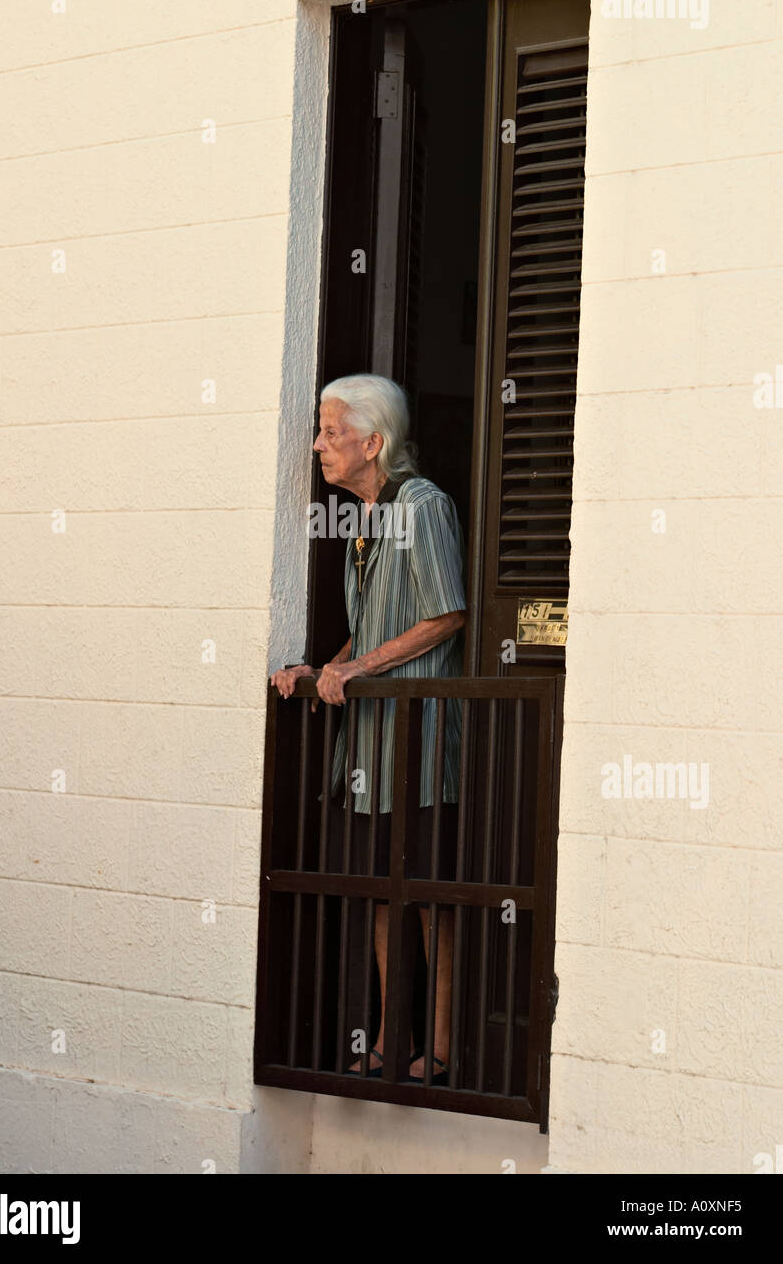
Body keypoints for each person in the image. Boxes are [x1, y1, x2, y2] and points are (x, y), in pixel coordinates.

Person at [270, 373, 467, 1083]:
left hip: (416, 744)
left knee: (429, 901)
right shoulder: (368, 519)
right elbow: (369, 630)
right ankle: (389, 1041)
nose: (318, 445)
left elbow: (446, 614)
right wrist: (317, 668)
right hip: (372, 750)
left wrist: (360, 670)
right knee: (385, 892)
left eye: (331, 432)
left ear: (372, 442)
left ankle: (439, 1049)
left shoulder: (423, 506)